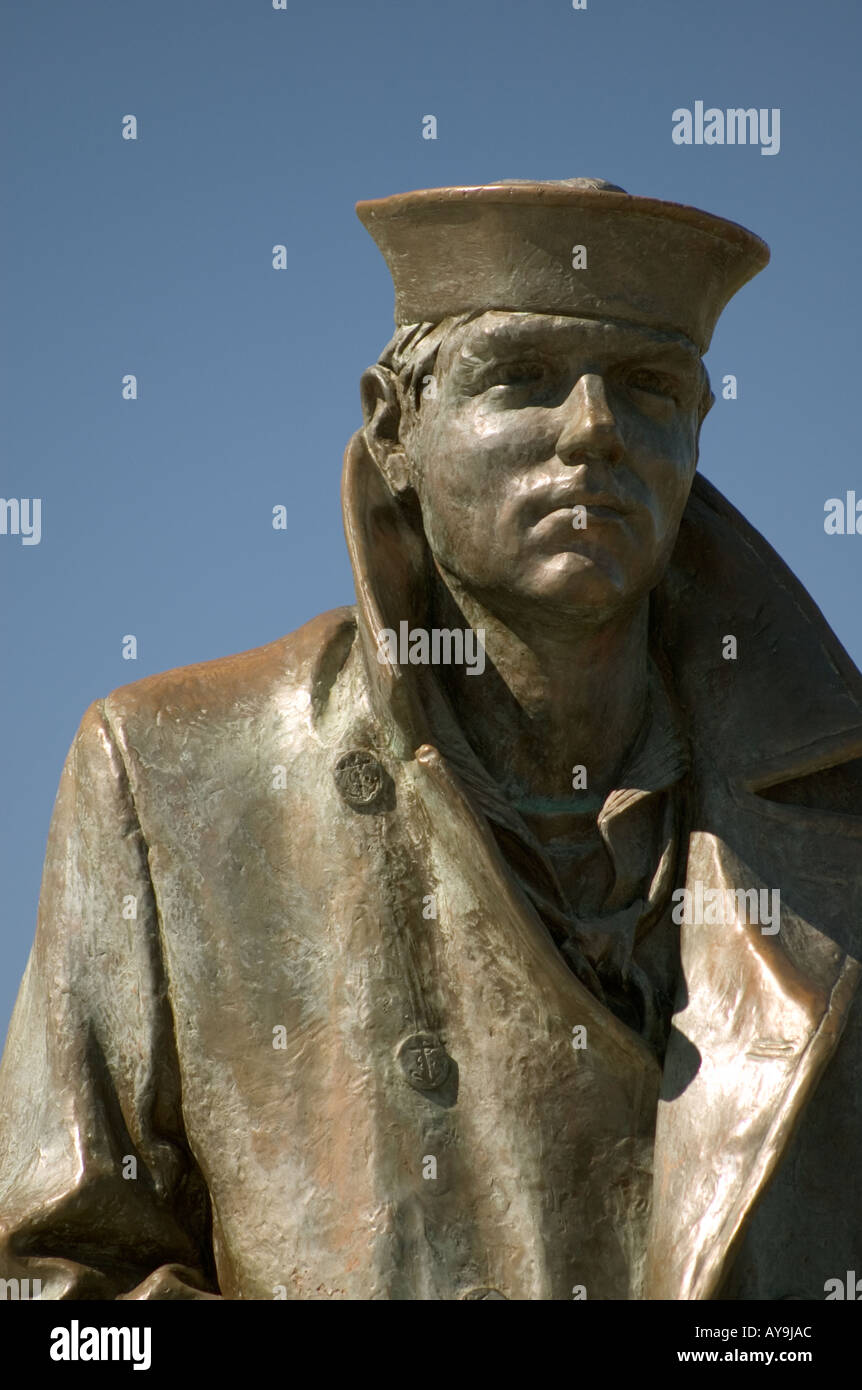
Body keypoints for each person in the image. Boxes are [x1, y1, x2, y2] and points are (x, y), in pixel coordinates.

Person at [1, 179, 860, 1300]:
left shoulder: (836, 821)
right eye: (522, 377)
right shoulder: (173, 773)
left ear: (697, 429)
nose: (594, 428)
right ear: (395, 426)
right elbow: (53, 1288)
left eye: (647, 386)